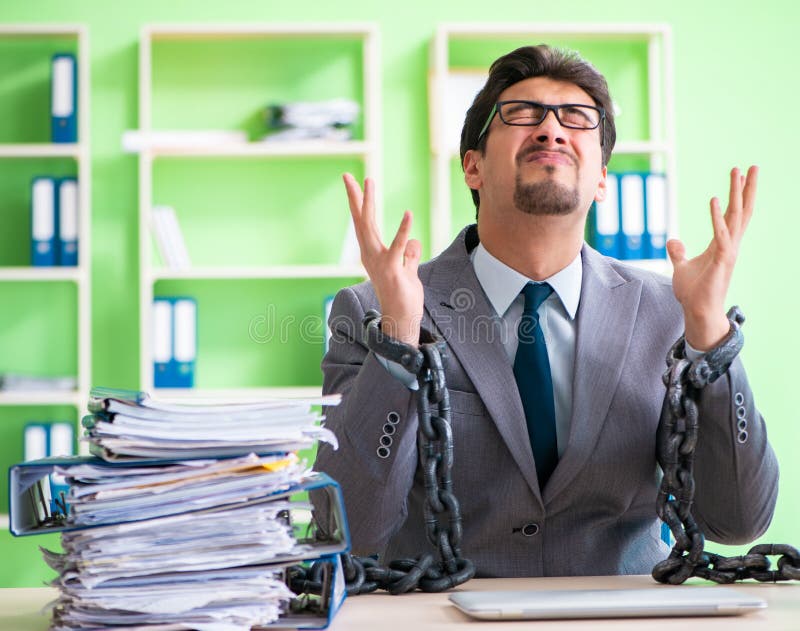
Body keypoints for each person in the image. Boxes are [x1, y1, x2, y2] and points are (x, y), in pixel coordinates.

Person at [313, 45, 778, 577]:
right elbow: (346, 527)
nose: (551, 130)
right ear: (473, 167)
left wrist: (710, 335)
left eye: (577, 119)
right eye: (523, 114)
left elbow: (739, 522)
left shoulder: (670, 311)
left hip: (625, 616)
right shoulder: (371, 310)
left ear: (602, 178)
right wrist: (398, 338)